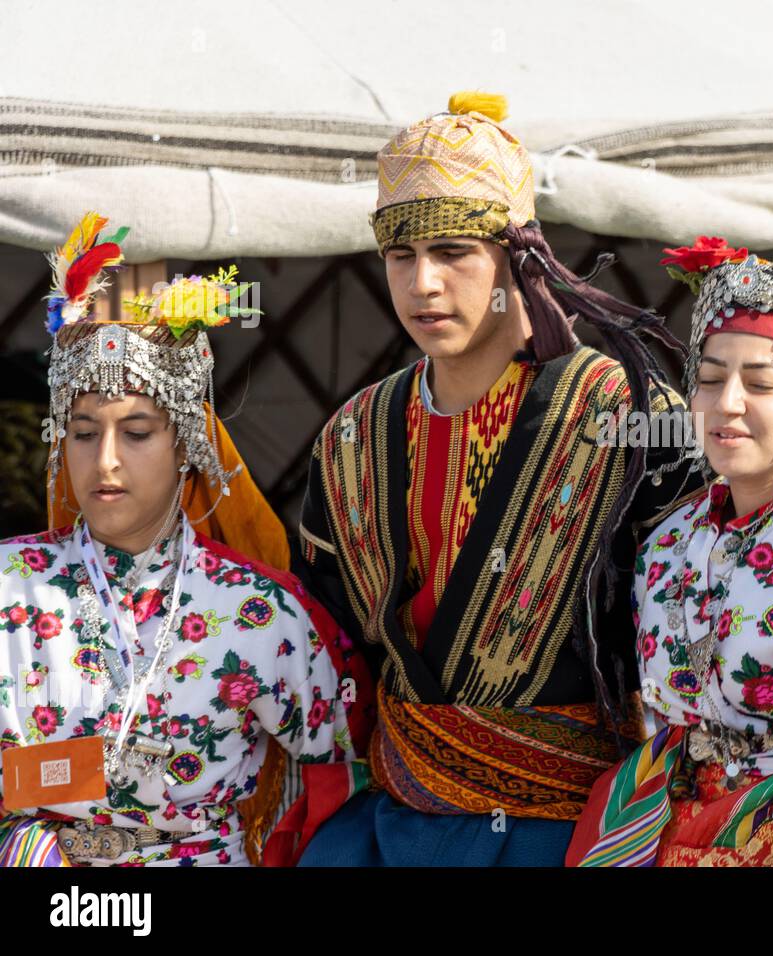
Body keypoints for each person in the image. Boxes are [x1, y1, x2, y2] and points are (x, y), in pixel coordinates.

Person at [291, 93, 700, 866]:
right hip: (398, 822)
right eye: (401, 257)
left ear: (520, 258)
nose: (423, 286)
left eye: (454, 253)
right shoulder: (355, 434)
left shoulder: (632, 418)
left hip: (573, 831)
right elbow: (333, 628)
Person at [0, 213, 368, 867]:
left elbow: (340, 775)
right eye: (84, 432)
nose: (105, 461)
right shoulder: (10, 587)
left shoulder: (260, 612)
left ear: (188, 443)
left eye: (136, 432)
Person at [567, 238, 773, 866]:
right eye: (710, 381)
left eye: (761, 384)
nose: (727, 405)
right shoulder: (668, 541)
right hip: (676, 830)